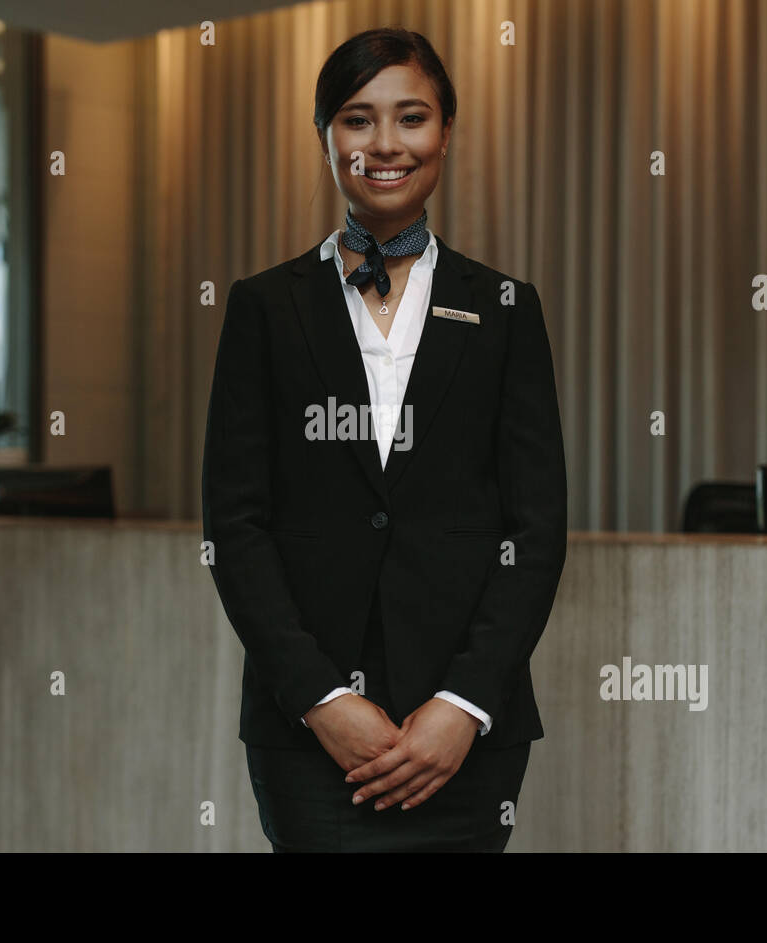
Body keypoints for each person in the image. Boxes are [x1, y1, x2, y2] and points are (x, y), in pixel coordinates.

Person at [201, 26, 567, 852]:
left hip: (464, 740)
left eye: (412, 117)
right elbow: (236, 526)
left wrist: (464, 703)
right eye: (358, 120)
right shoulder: (263, 307)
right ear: (327, 136)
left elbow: (536, 529)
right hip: (309, 738)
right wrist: (322, 699)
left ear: (445, 133)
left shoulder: (508, 308)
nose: (386, 143)